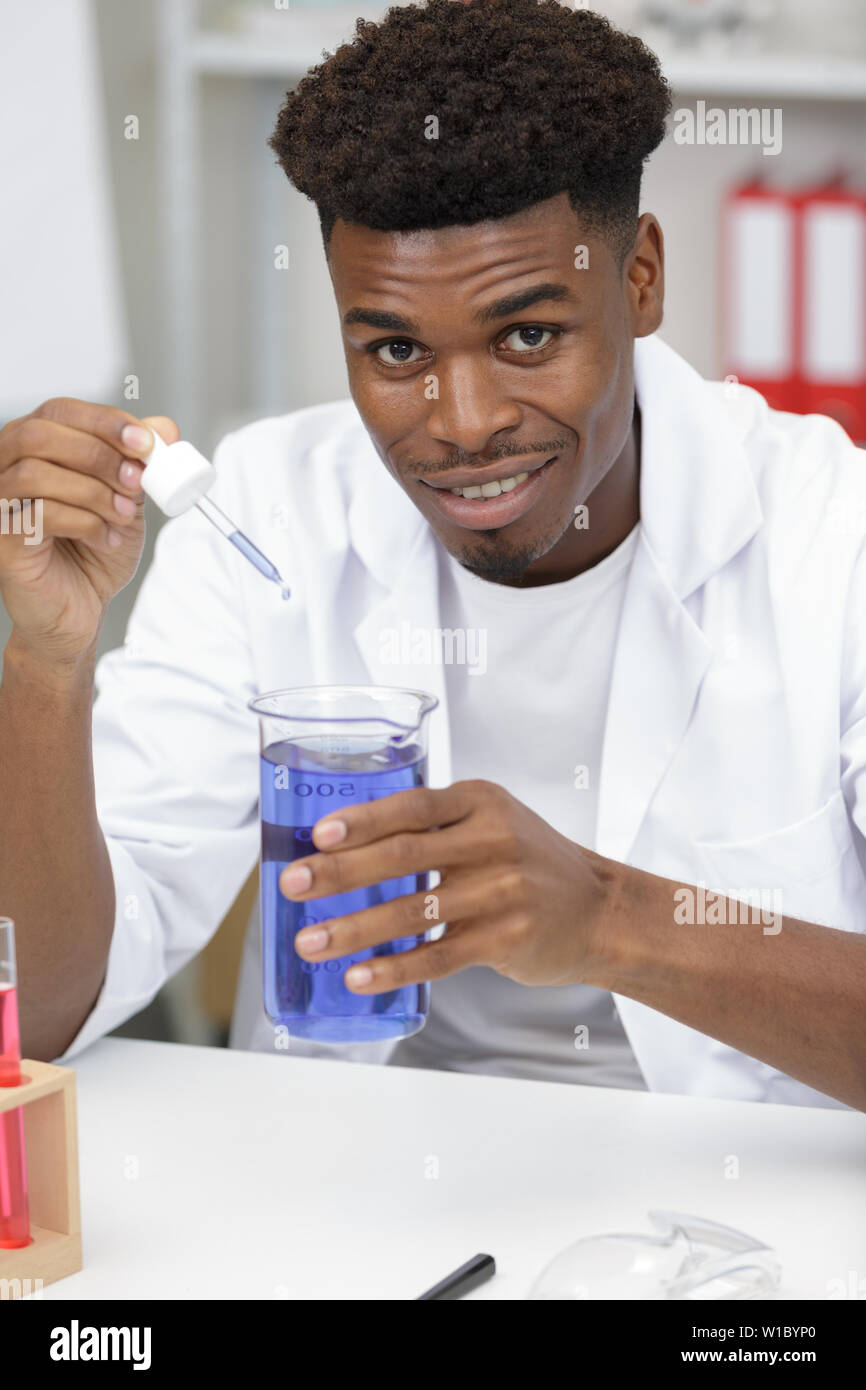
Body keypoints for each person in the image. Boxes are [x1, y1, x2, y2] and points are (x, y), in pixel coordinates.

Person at [1, 0, 864, 1108]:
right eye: (395, 348)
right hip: (376, 1208)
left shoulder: (830, 533)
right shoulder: (267, 514)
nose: (458, 421)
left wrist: (608, 918)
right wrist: (47, 661)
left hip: (745, 1232)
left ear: (638, 279)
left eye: (526, 335)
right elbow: (48, 1015)